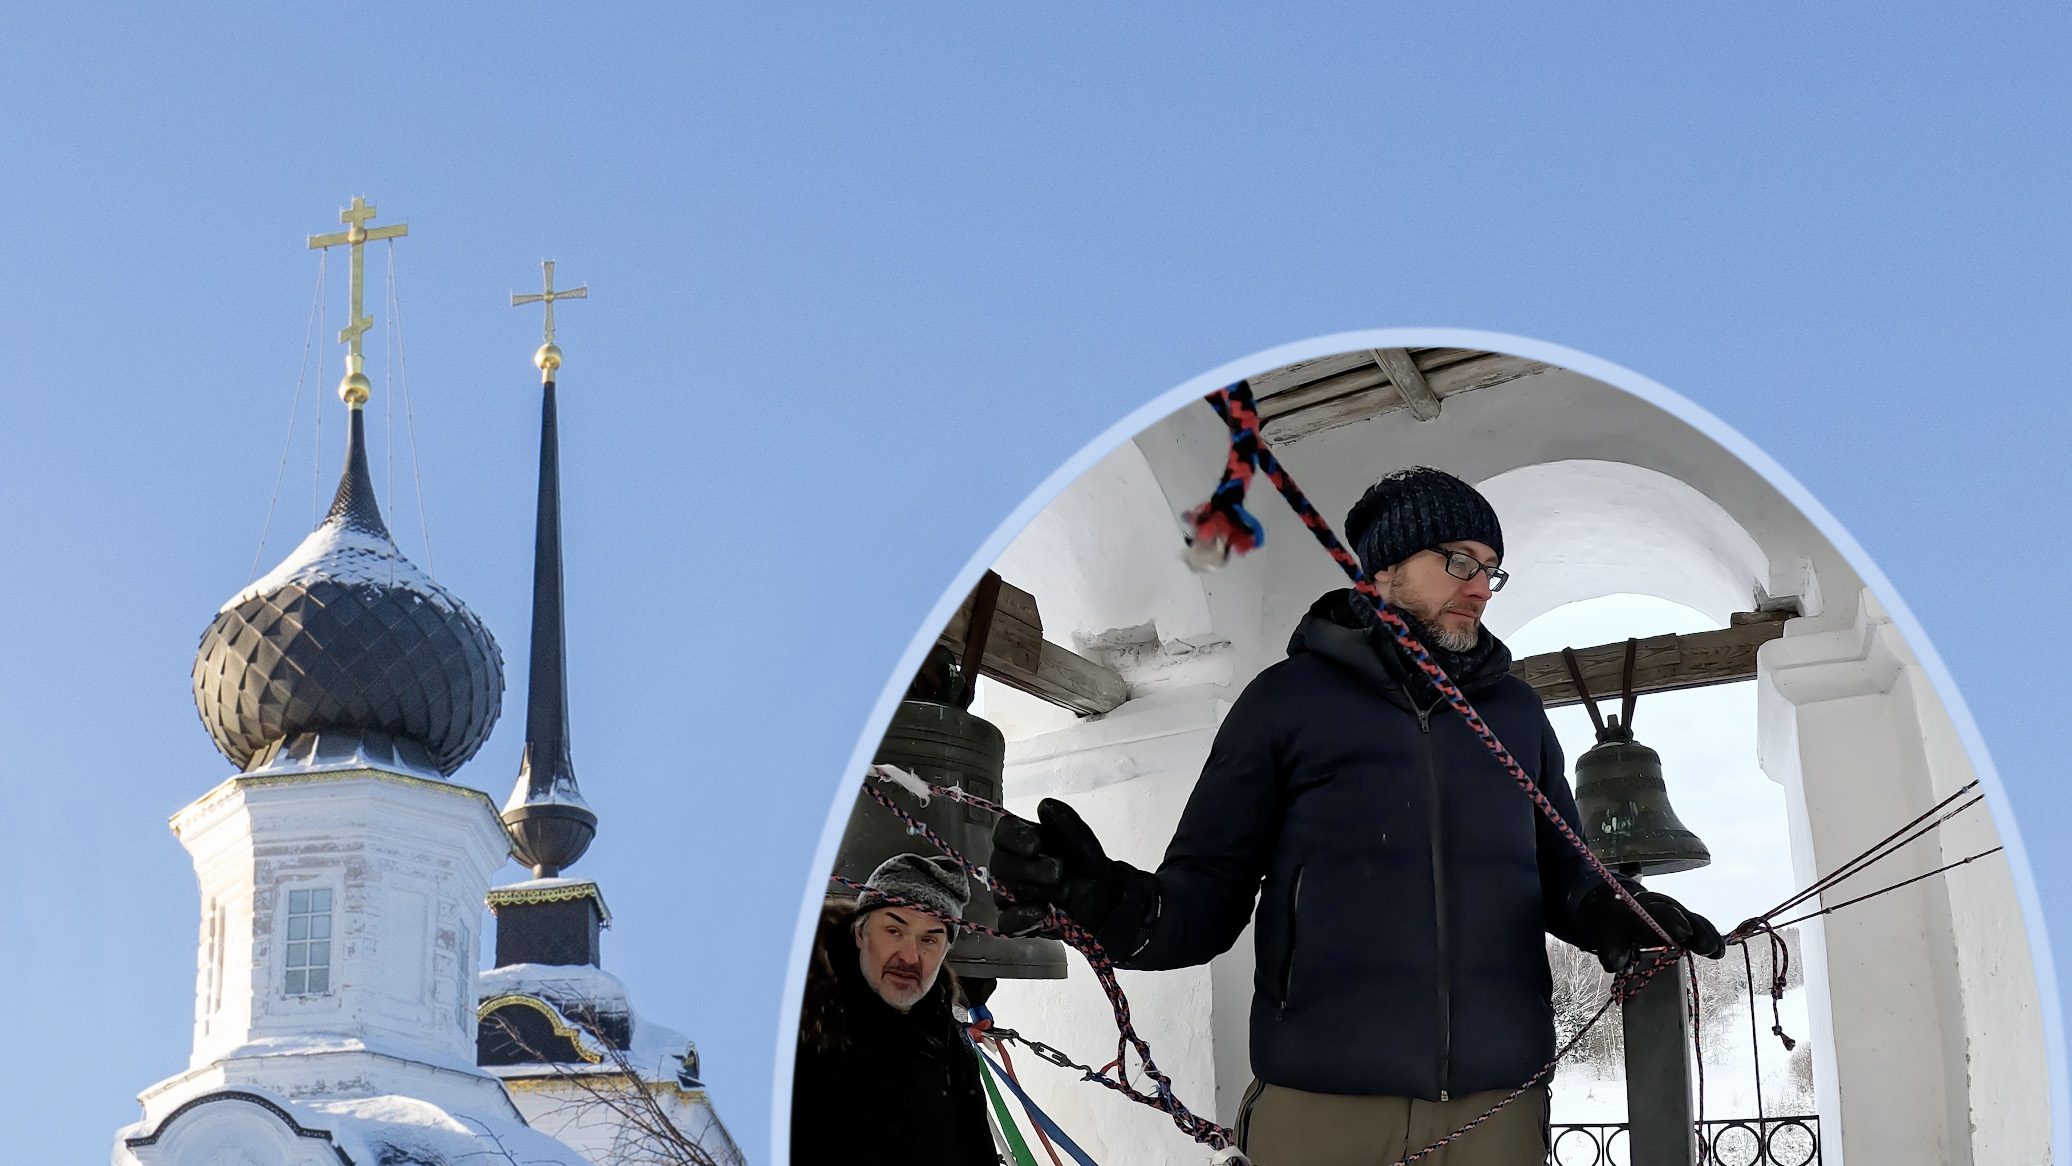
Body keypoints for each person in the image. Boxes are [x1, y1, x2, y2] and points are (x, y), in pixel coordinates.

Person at [991, 466, 1725, 1166]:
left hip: (1496, 1109)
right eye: (1457, 561)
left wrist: (1615, 912)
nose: (1481, 587)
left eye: (1490, 569)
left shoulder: (1517, 714)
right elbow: (1203, 899)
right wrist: (1106, 903)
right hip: (1322, 1108)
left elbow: (1565, 871)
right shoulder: (1286, 701)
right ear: (1382, 572)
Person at [793, 853, 999, 1166]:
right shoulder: (802, 1044)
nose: (910, 956)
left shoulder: (946, 1040)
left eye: (930, 939)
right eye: (894, 931)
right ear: (860, 934)